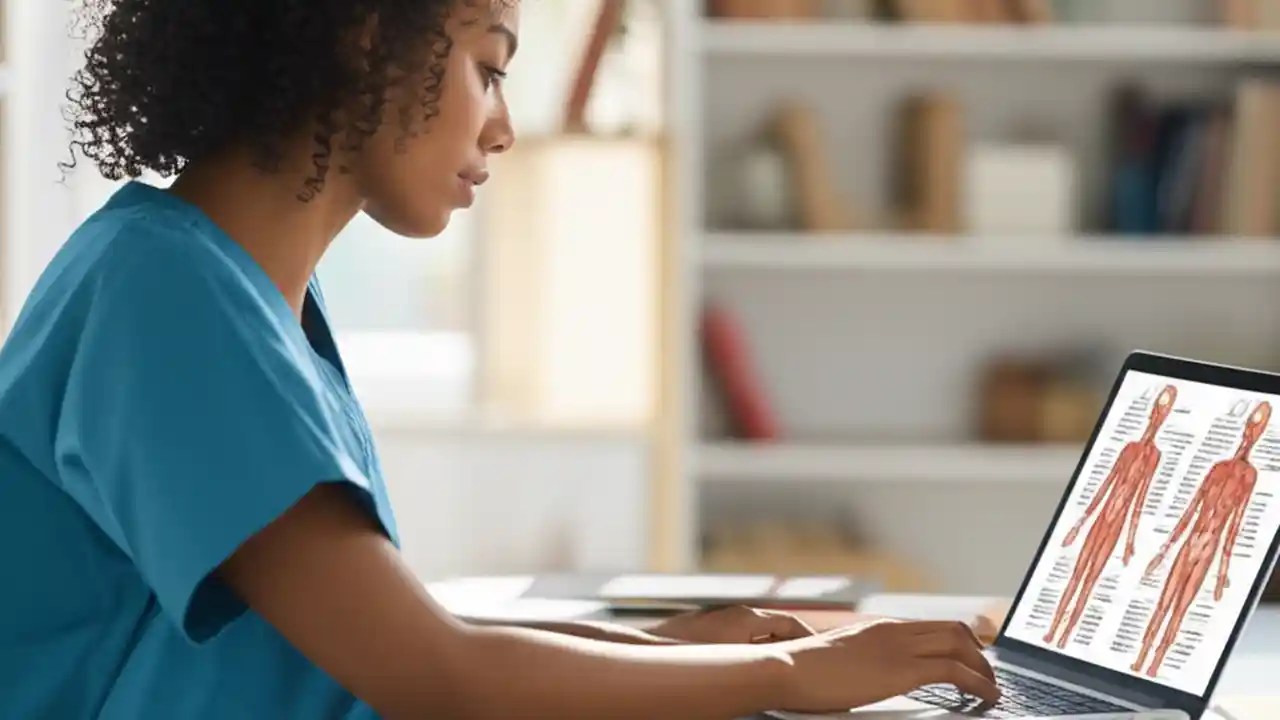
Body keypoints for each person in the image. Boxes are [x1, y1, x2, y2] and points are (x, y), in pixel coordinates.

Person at [0, 1, 998, 717]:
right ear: (363, 35)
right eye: (489, 64)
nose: (504, 126)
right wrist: (783, 680)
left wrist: (653, 652)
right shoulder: (162, 296)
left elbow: (381, 644)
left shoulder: (242, 303)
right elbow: (432, 675)